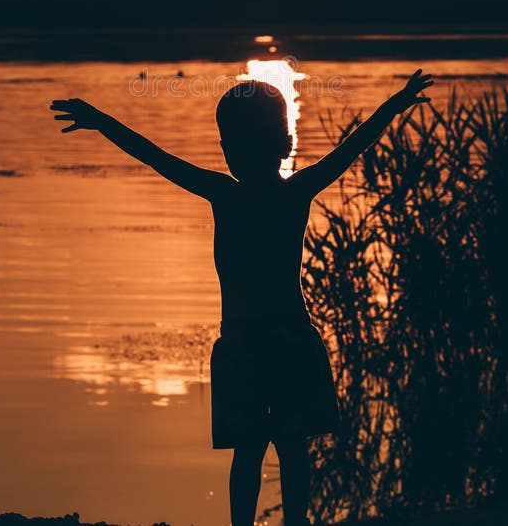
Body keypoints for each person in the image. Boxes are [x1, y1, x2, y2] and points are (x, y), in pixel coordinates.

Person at [50, 67, 433, 526]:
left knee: (249, 451)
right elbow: (353, 147)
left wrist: (102, 121)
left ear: (227, 150)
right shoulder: (295, 191)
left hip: (245, 344)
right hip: (289, 340)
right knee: (292, 449)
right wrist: (393, 104)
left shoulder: (223, 194)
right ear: (286, 144)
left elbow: (154, 156)